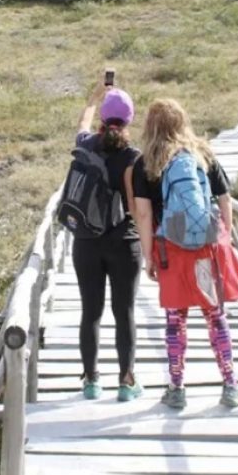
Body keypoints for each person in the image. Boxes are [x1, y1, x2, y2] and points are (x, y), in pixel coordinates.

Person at [133, 98, 238, 409]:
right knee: (215, 315)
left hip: (172, 249)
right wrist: (225, 239)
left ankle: (177, 387)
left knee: (175, 320)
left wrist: (149, 256)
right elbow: (225, 201)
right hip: (208, 248)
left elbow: (143, 215)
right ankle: (230, 383)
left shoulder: (147, 163)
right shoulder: (203, 154)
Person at [71, 81, 143, 402]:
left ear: (102, 116)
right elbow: (135, 207)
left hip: (86, 241)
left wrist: (93, 97)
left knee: (91, 311)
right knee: (124, 311)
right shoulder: (133, 156)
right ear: (129, 121)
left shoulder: (86, 145)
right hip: (123, 242)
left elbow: (83, 125)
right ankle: (126, 382)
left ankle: (90, 380)